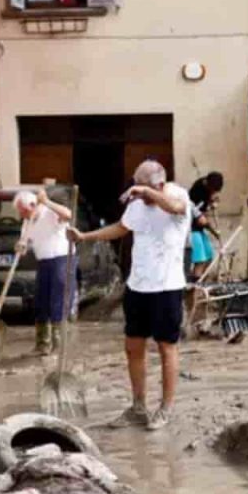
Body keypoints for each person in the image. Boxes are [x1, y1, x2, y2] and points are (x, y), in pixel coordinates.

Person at [67, 159, 191, 431]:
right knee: (133, 347)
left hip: (167, 286)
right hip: (138, 285)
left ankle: (166, 408)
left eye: (143, 190)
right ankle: (138, 406)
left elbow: (176, 208)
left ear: (158, 185)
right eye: (136, 189)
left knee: (166, 347)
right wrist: (85, 236)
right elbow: (121, 228)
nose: (139, 196)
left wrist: (148, 194)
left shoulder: (177, 195)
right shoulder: (137, 205)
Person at [14, 188, 75, 356]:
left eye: (24, 211)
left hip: (62, 260)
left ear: (33, 205)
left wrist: (47, 201)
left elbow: (68, 214)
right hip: (43, 262)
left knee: (58, 302)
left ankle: (59, 346)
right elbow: (25, 243)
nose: (22, 215)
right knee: (41, 302)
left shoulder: (50, 213)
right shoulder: (27, 222)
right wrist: (21, 246)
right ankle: (42, 344)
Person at [188, 171, 224, 281]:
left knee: (209, 256)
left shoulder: (207, 186)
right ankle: (196, 285)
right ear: (209, 185)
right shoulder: (197, 191)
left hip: (200, 229)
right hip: (192, 228)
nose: (214, 193)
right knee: (201, 260)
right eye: (213, 190)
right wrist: (214, 232)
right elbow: (201, 220)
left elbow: (204, 206)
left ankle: (201, 281)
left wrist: (211, 202)